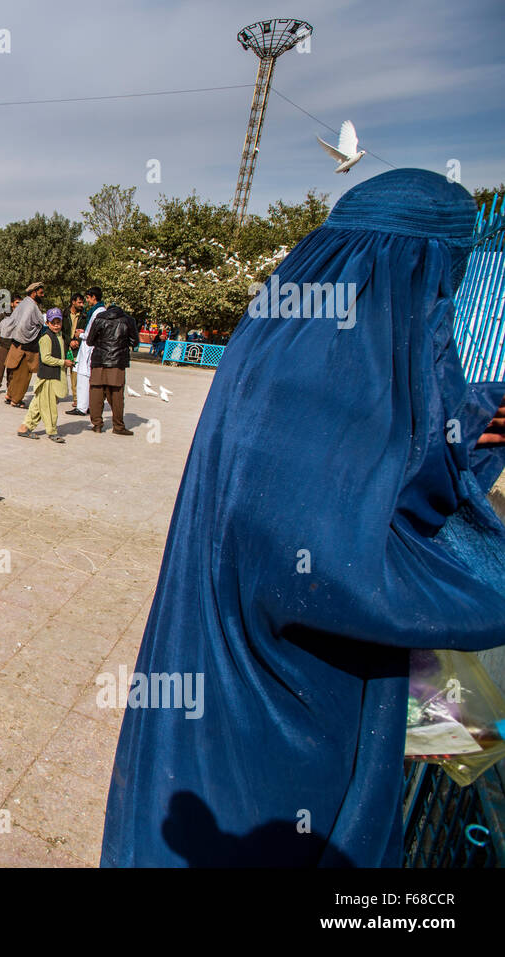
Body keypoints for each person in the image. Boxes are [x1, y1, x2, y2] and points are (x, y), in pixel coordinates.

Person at [99, 168, 505, 867]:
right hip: (270, 748)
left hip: (226, 699)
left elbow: (377, 468)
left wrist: (469, 423)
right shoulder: (316, 397)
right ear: (416, 275)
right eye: (441, 290)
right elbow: (361, 564)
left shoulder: (288, 347)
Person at [16, 308, 72, 443]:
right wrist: (62, 362)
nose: (56, 325)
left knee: (38, 404)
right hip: (48, 376)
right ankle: (52, 432)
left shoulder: (60, 336)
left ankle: (25, 427)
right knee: (49, 406)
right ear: (48, 323)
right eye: (54, 322)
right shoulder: (46, 338)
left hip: (55, 375)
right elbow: (46, 358)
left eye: (58, 322)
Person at [85, 305, 138, 435]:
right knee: (117, 395)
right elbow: (135, 341)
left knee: (96, 393)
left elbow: (90, 341)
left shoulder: (99, 318)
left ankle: (97, 424)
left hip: (99, 360)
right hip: (118, 362)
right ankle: (118, 426)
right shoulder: (128, 320)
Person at [4, 282, 47, 408]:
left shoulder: (25, 304)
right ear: (33, 293)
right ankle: (16, 400)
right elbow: (23, 326)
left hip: (19, 344)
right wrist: (26, 338)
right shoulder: (30, 306)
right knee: (23, 375)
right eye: (40, 293)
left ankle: (10, 395)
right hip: (26, 347)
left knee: (16, 373)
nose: (43, 295)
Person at [72, 287, 105, 415]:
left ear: (93, 297)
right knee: (85, 377)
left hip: (89, 348)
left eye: (87, 298)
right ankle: (85, 405)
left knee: (83, 378)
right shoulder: (96, 311)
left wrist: (80, 335)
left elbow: (92, 334)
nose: (86, 300)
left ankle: (82, 407)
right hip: (88, 347)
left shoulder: (98, 312)